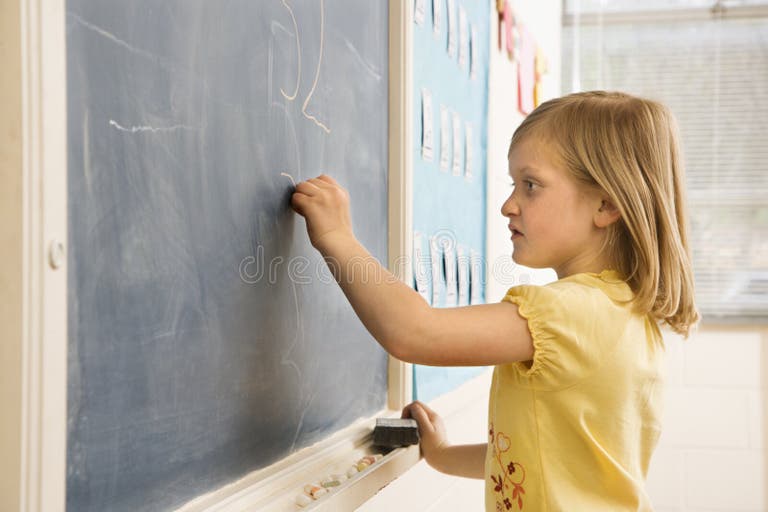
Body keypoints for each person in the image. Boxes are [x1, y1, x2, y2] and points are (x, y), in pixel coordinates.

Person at [290, 91, 699, 511]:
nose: (508, 205)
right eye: (513, 184)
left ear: (606, 203)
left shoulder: (568, 313)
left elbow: (414, 333)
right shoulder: (626, 314)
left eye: (531, 185)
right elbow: (544, 456)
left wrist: (337, 238)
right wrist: (444, 455)